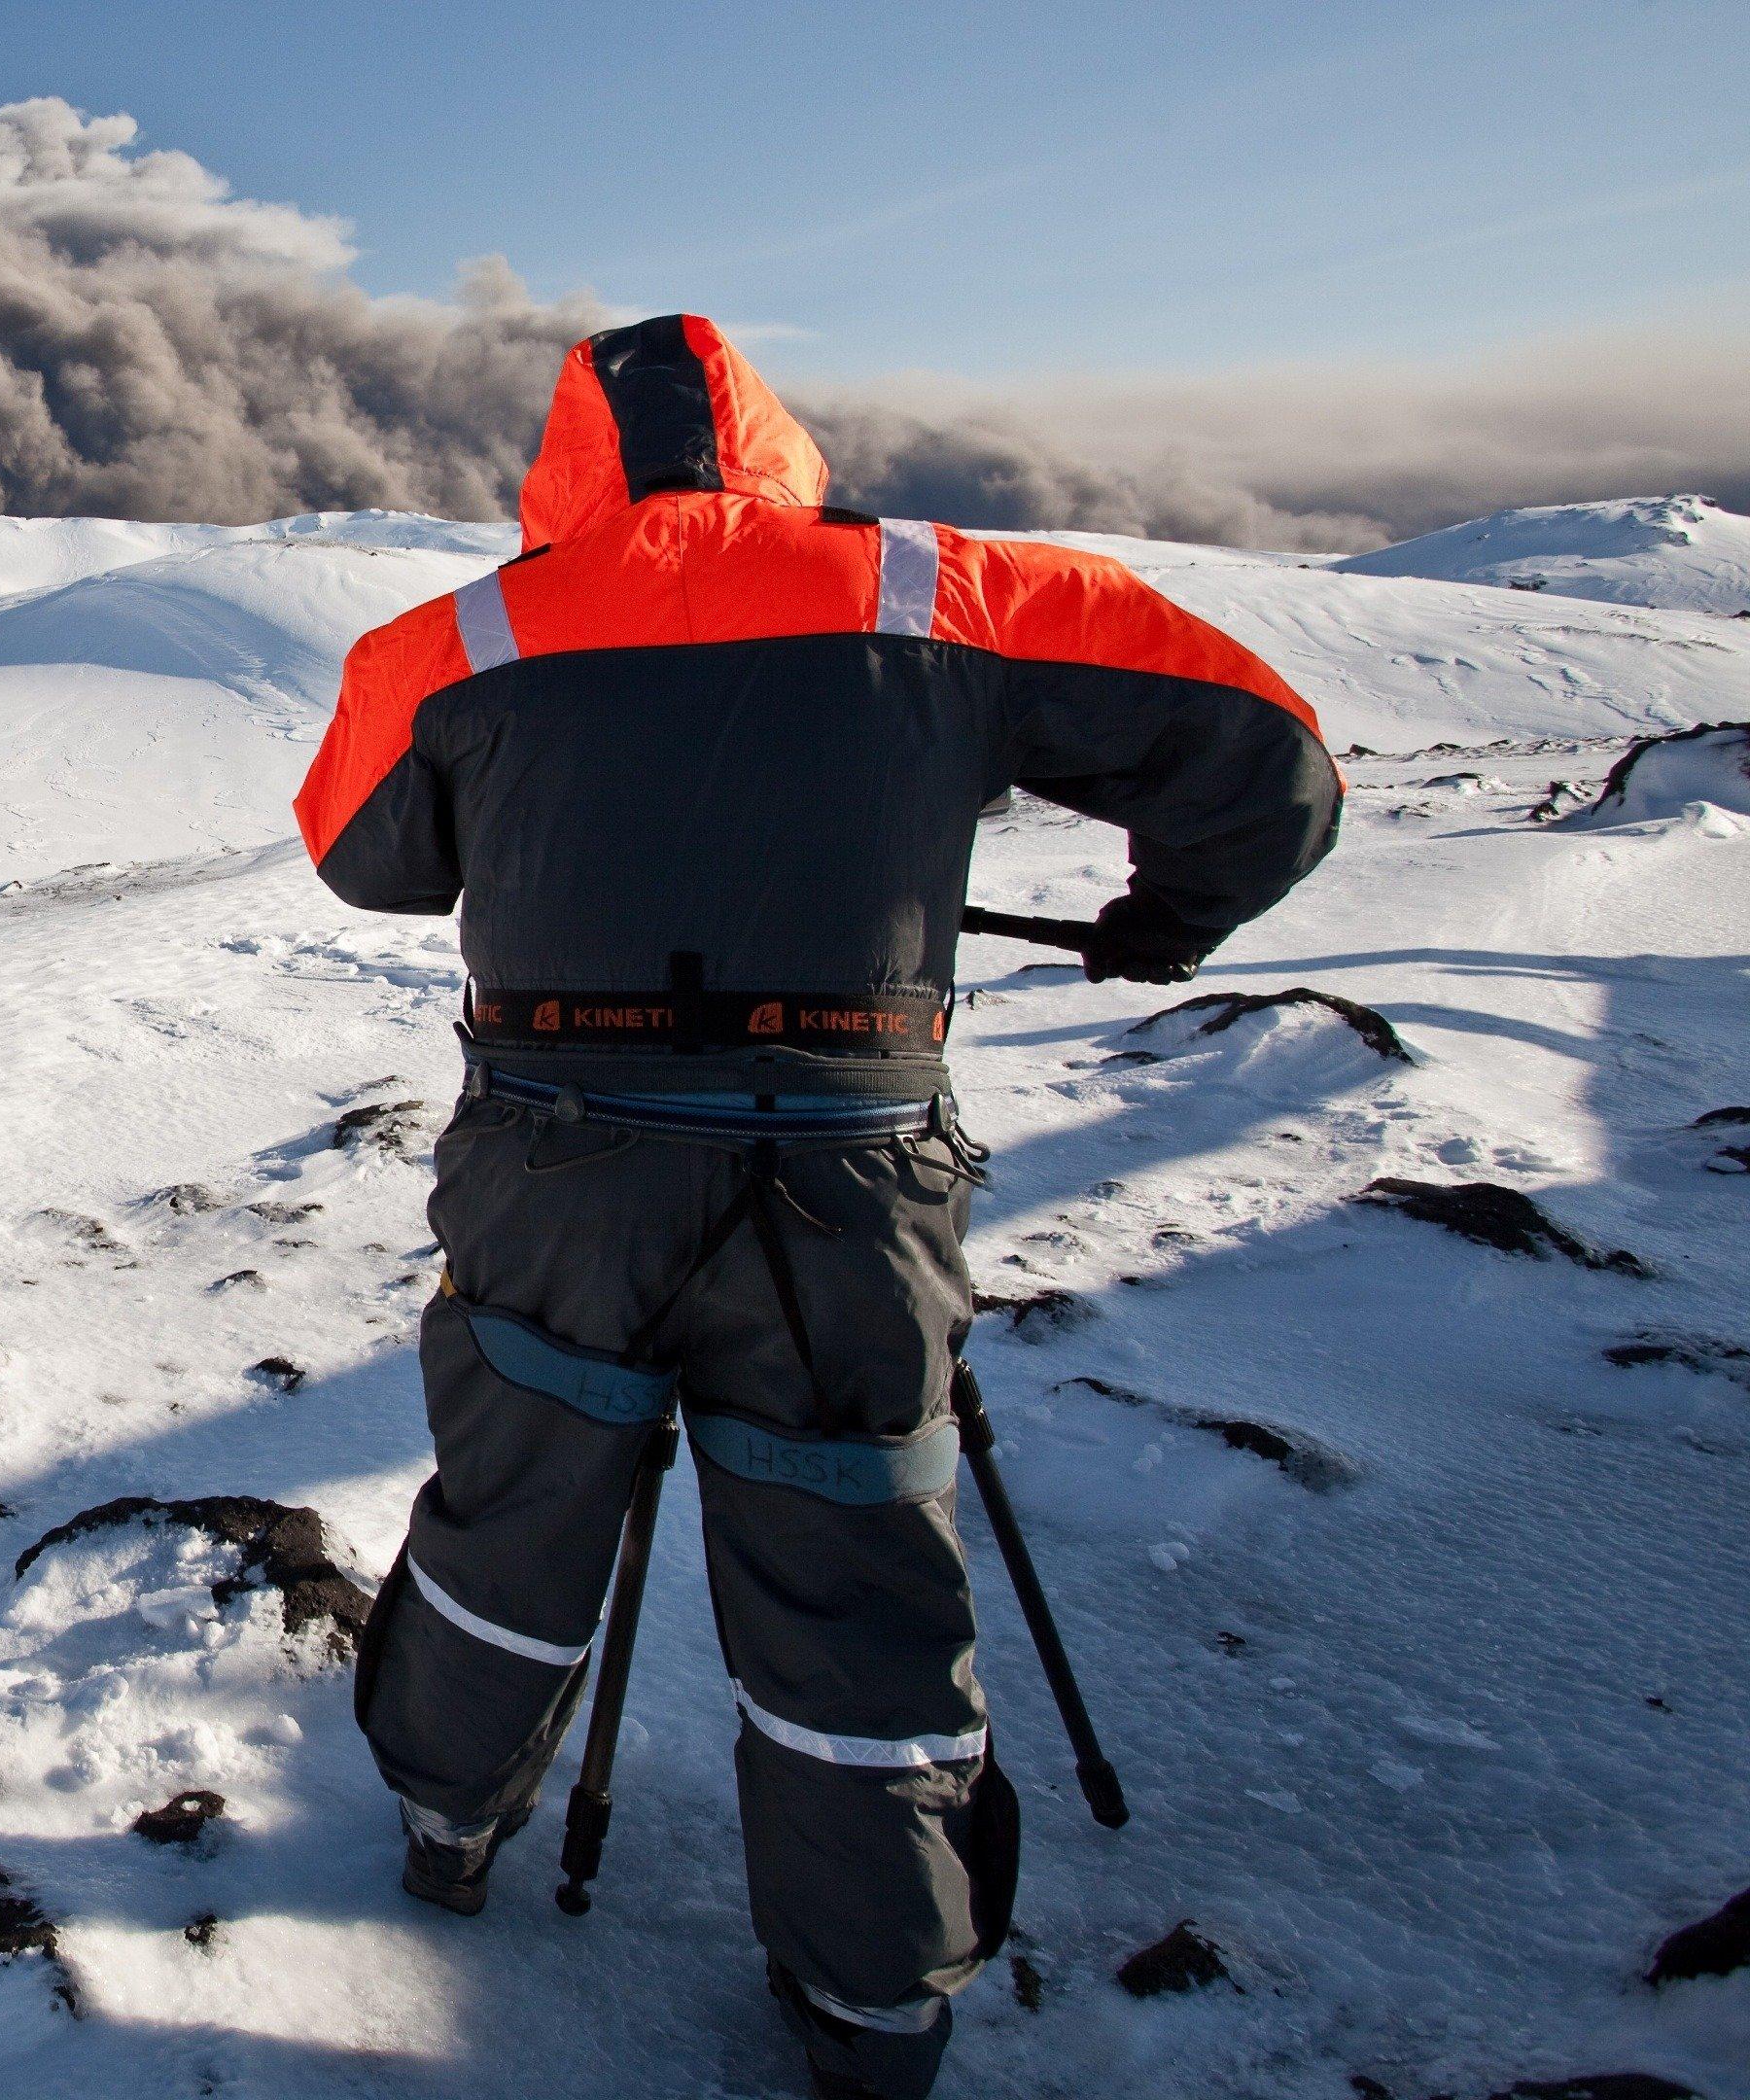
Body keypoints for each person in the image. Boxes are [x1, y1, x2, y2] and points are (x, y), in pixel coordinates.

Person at [297, 314, 1339, 2100]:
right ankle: (873, 2004)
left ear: (565, 465)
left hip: (560, 1165)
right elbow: (1273, 763)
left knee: (519, 1507)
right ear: (771, 441)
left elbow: (362, 852)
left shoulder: (460, 638)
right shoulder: (946, 593)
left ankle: (445, 1827)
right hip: (854, 1175)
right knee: (852, 1568)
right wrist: (1165, 915)